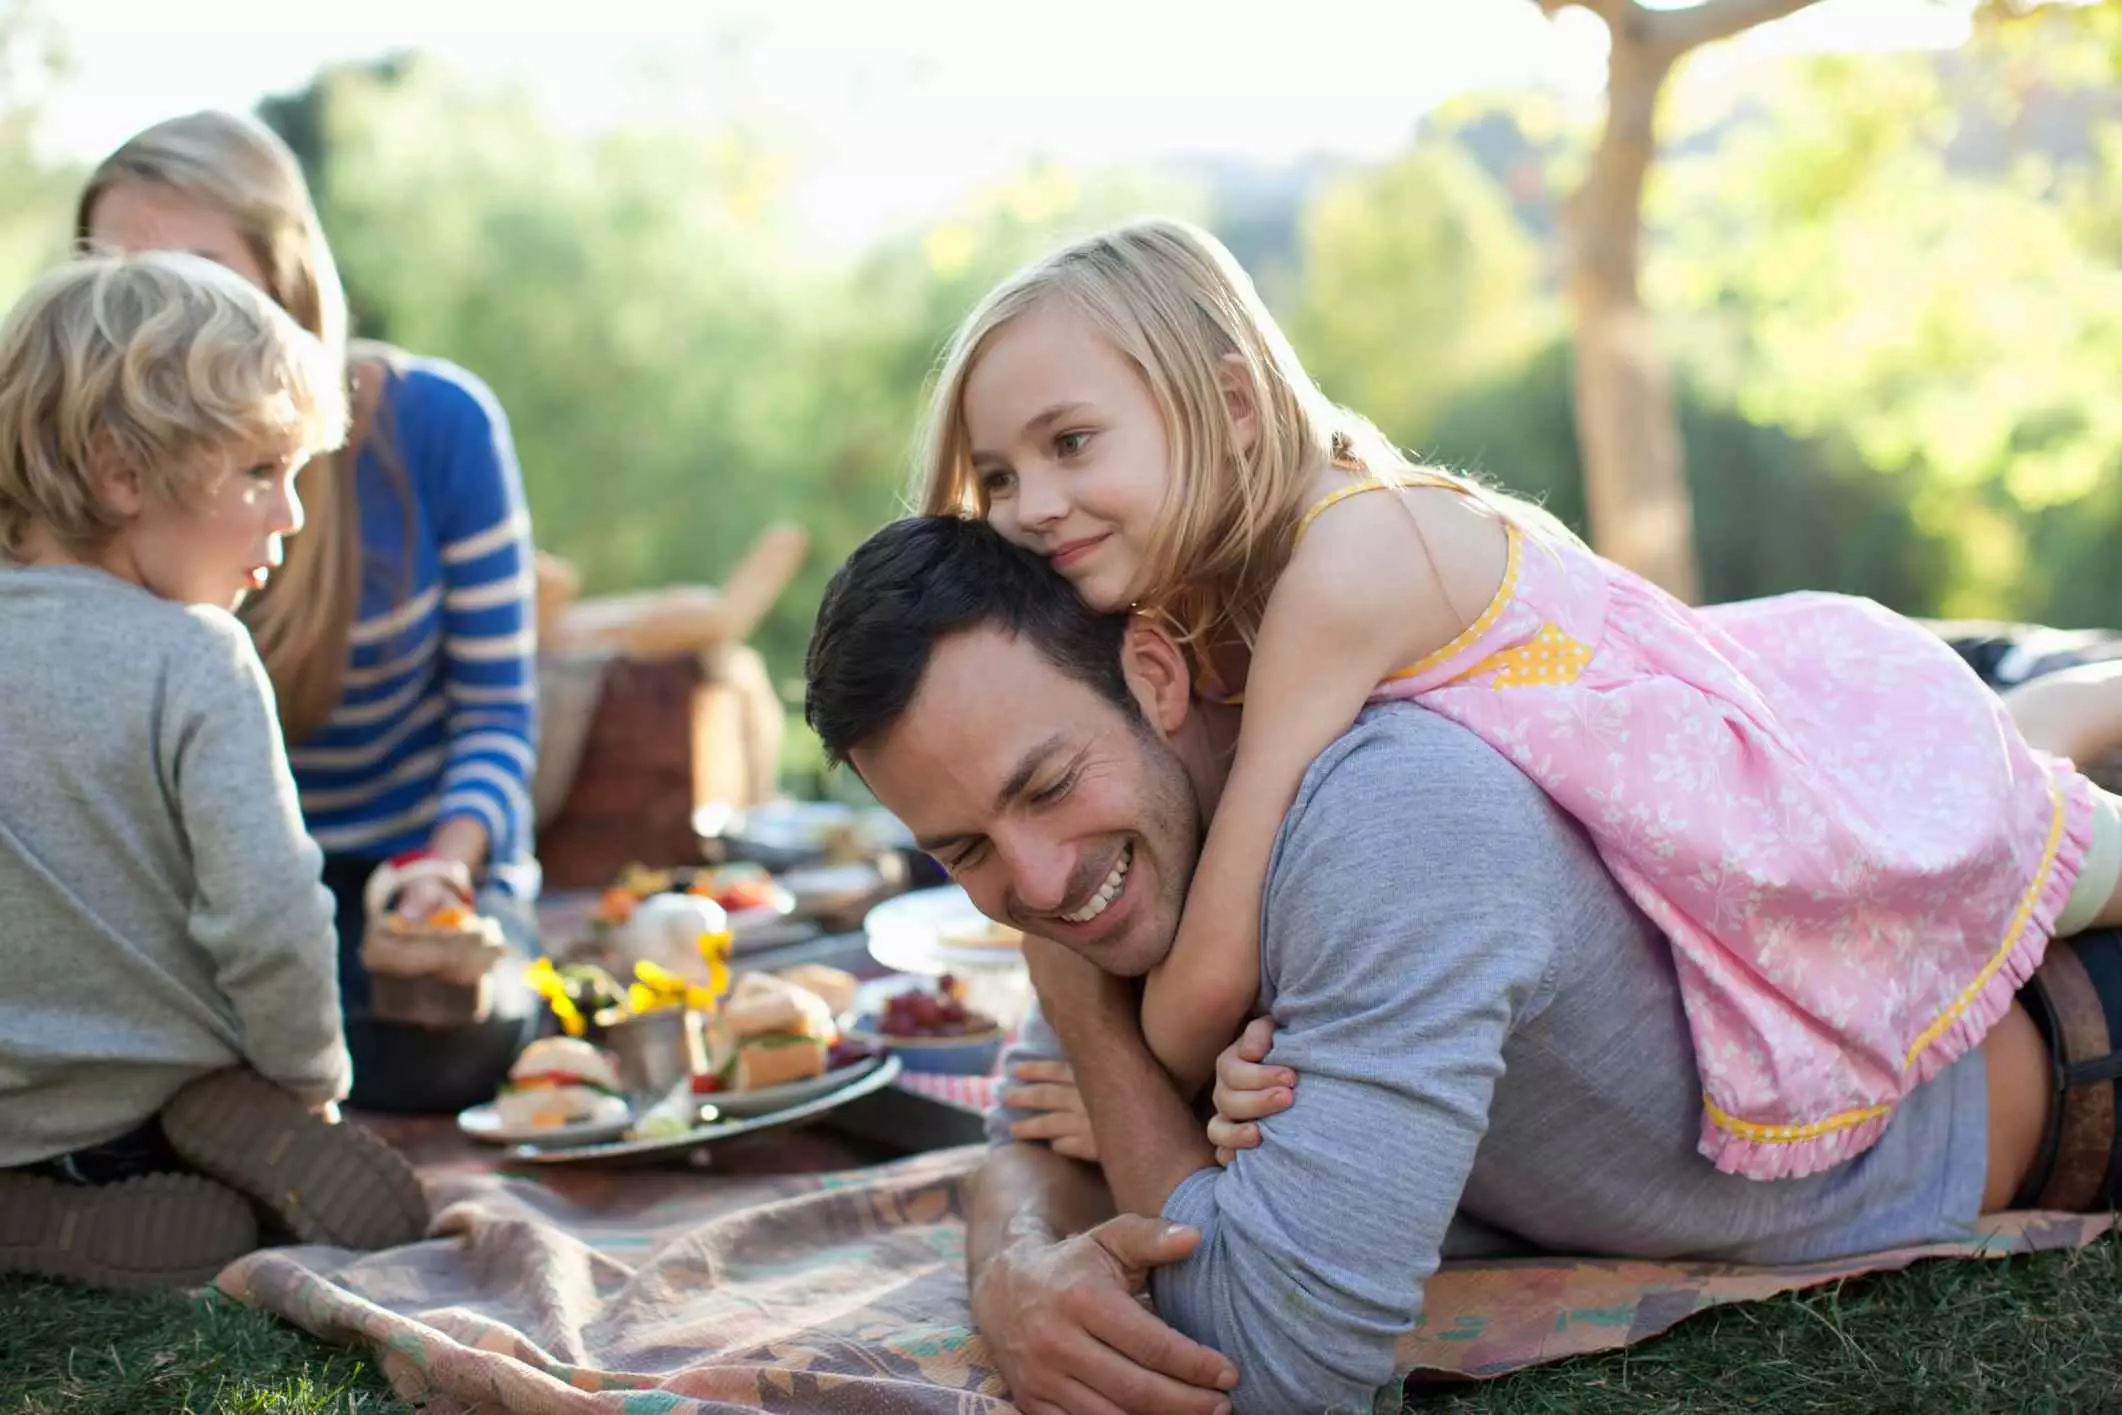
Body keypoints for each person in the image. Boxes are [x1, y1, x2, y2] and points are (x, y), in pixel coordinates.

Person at [802, 515, 2122, 1415]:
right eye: (967, 845)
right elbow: (1028, 1132)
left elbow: (1260, 1367)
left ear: (1154, 671)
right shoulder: (1136, 852)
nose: (1033, 884)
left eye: (1045, 786)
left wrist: (1080, 1005)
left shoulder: (1387, 821)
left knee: (2009, 752)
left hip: (2076, 1045)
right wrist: (1018, 1264)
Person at [914, 216, 2122, 1181]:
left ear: (1232, 407)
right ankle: (2076, 696)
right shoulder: (1197, 589)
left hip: (1750, 795)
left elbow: (1219, 955)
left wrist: (1119, 1065)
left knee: (2045, 858)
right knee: (2004, 744)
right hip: (1695, 737)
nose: (1030, 505)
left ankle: (2075, 713)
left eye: (1072, 443)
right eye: (1004, 473)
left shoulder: (1340, 572)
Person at [78, 111, 545, 1113]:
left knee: (450, 1042)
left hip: (409, 861)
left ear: (283, 279)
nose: (156, 320)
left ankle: (217, 1101)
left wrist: (443, 871)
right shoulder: (95, 479)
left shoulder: (436, 426)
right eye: (120, 281)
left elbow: (497, 710)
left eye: (200, 273)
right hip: (206, 887)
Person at [0, 253, 429, 1290]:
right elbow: (270, 909)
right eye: (258, 472)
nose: (291, 515)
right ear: (120, 470)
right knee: (230, 1161)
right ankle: (226, 1116)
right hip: (163, 1081)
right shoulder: (196, 655)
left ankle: (29, 1211)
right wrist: (306, 1081)